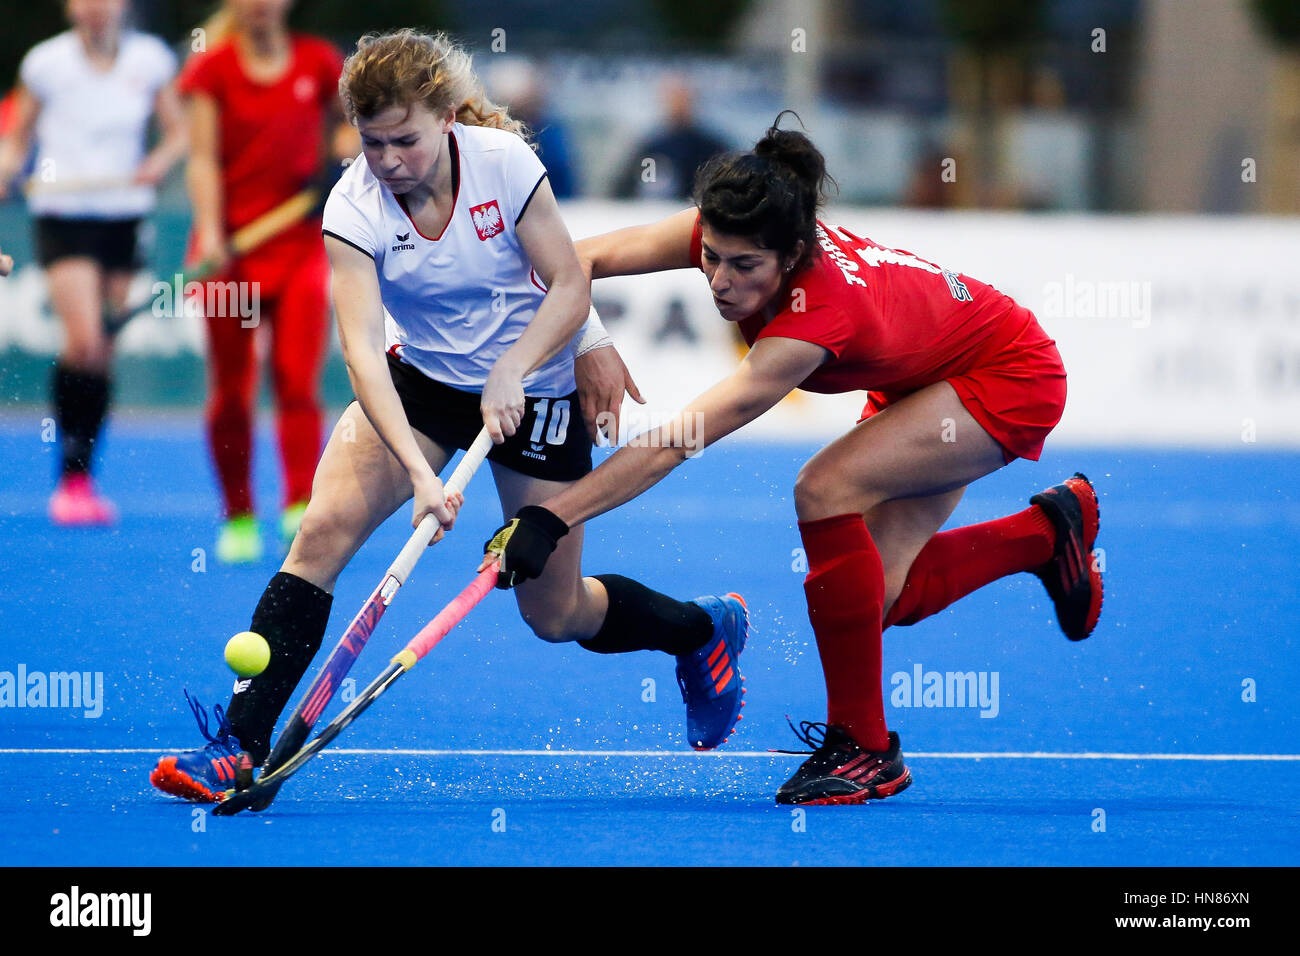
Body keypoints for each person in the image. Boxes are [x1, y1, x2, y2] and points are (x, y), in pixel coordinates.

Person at [150, 29, 749, 803]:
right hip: (423, 384)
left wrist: (517, 367)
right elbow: (364, 354)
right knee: (323, 531)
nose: (390, 160)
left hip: (537, 393)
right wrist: (414, 470)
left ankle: (700, 631)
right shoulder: (353, 206)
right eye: (373, 143)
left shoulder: (503, 165)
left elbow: (568, 282)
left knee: (555, 612)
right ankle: (237, 743)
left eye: (406, 140)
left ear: (445, 117)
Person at [484, 116, 1104, 806]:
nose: (719, 281)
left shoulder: (815, 318)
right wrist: (584, 340)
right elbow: (575, 261)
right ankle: (1047, 535)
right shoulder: (735, 226)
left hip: (1007, 375)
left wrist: (550, 516)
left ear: (791, 255)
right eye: (712, 257)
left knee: (823, 489)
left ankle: (865, 747)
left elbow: (678, 440)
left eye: (744, 267)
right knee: (875, 599)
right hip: (927, 380)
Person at [178, 0, 355, 563]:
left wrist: (341, 155)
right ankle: (238, 514)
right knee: (232, 389)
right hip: (230, 253)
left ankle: (300, 504)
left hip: (302, 247)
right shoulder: (212, 69)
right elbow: (202, 159)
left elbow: (348, 129)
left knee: (297, 380)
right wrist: (209, 231)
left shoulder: (318, 62)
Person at [0, 0, 186, 525]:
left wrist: (158, 163)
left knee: (101, 351)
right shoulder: (45, 63)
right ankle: (69, 477)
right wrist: (8, 172)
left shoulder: (149, 59)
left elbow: (177, 133)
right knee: (83, 340)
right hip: (63, 213)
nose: (96, 8)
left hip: (124, 217)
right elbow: (18, 139)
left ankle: (83, 478)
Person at [612, 75, 729, 201]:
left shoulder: (712, 148)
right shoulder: (652, 148)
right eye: (673, 99)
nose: (678, 105)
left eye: (683, 99)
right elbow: (627, 187)